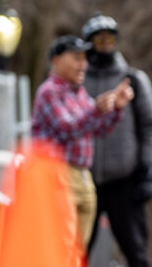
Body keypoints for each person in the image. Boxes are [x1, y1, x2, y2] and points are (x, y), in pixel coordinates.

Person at [80, 14, 152, 267]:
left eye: (110, 40)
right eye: (98, 40)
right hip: (85, 177)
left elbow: (150, 127)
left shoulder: (133, 80)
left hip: (124, 178)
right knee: (77, 248)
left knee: (135, 248)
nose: (105, 46)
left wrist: (148, 170)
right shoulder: (78, 79)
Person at [31, 35, 133, 255]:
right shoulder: (49, 92)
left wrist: (116, 109)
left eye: (84, 59)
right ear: (57, 60)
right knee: (63, 247)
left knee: (77, 252)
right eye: (76, 58)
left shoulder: (79, 94)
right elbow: (66, 128)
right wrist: (95, 110)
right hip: (58, 174)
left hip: (83, 176)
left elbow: (98, 129)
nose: (83, 65)